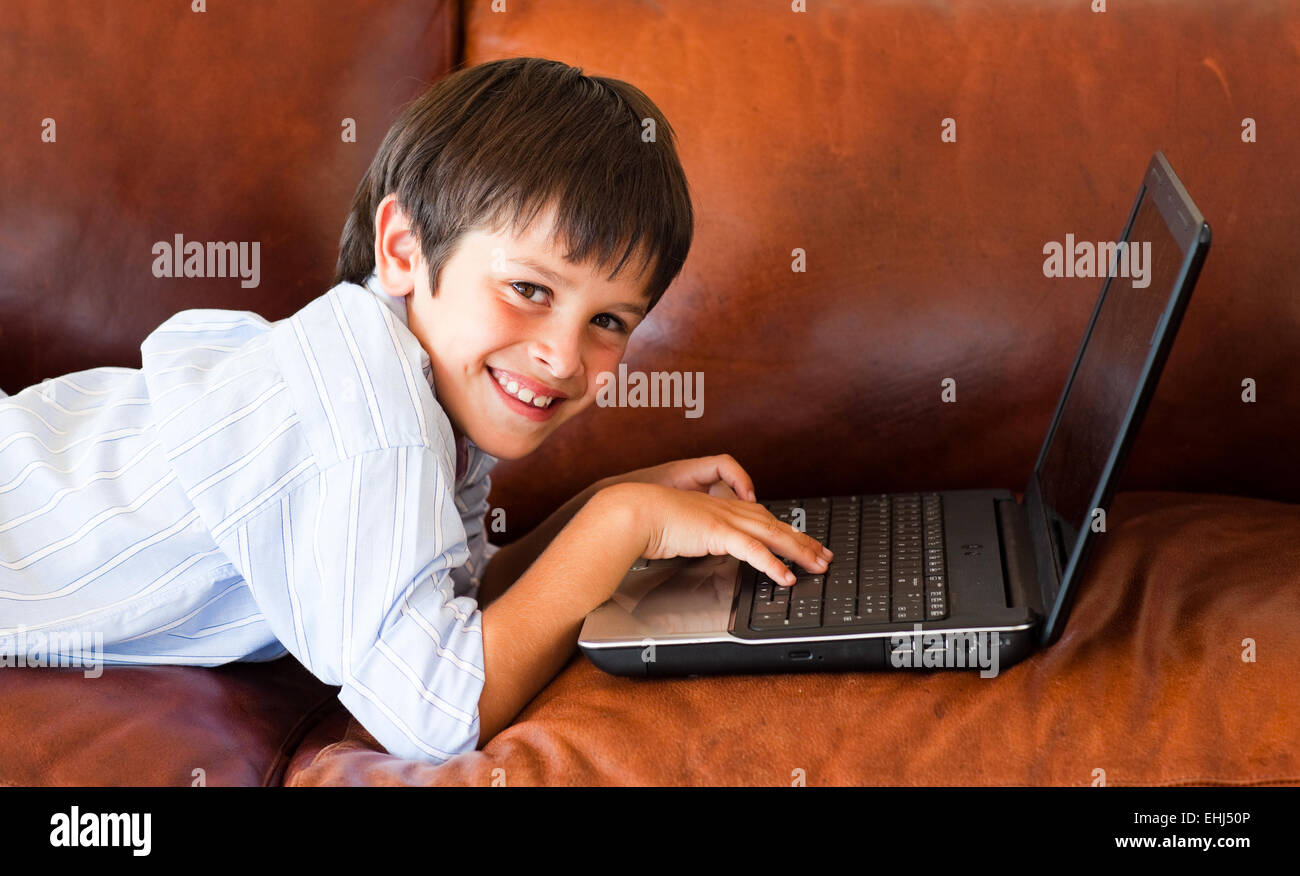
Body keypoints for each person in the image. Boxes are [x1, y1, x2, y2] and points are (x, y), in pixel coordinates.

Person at [0, 57, 831, 763]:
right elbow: (435, 712)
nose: (564, 357)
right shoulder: (370, 422)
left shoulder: (423, 387)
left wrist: (608, 510)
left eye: (609, 321)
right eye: (529, 289)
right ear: (403, 248)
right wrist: (620, 526)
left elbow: (455, 601)